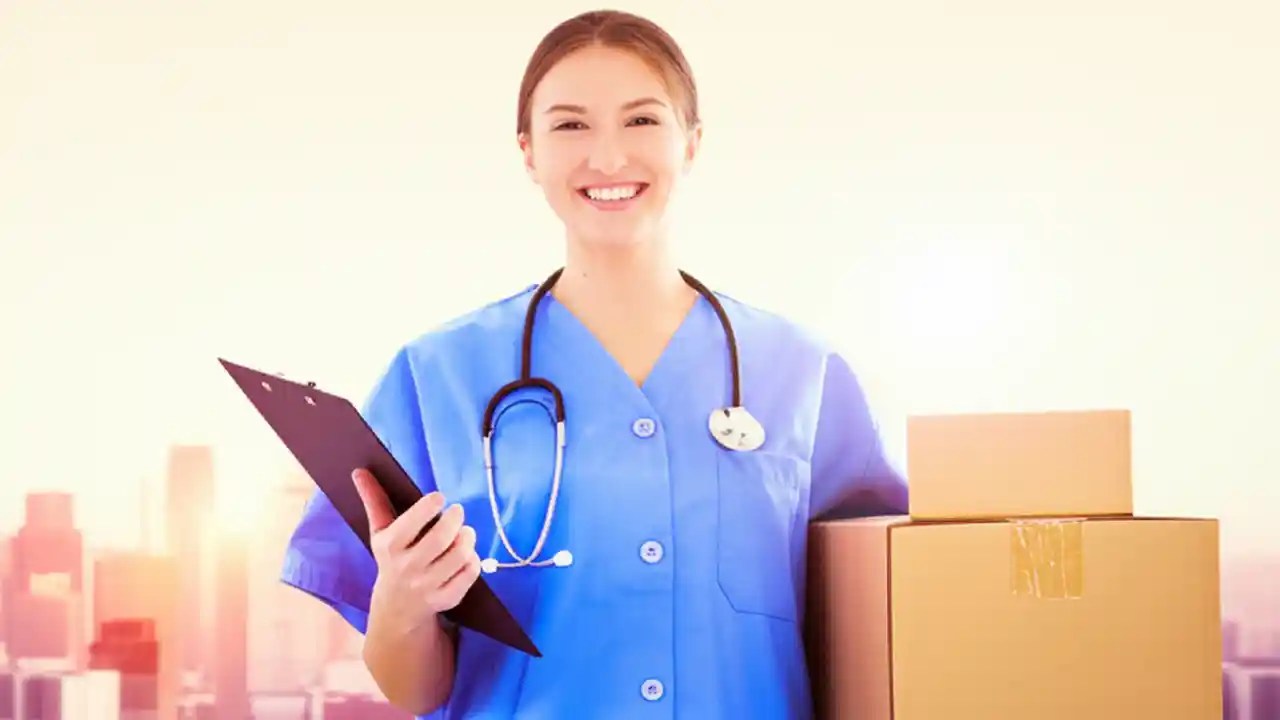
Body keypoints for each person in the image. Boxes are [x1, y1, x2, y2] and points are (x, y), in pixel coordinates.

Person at [279, 9, 908, 719]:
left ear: (692, 143)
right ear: (527, 152)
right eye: (571, 125)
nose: (608, 158)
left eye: (641, 121)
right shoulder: (437, 376)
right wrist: (400, 603)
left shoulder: (803, 373)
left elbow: (882, 622)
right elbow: (416, 689)